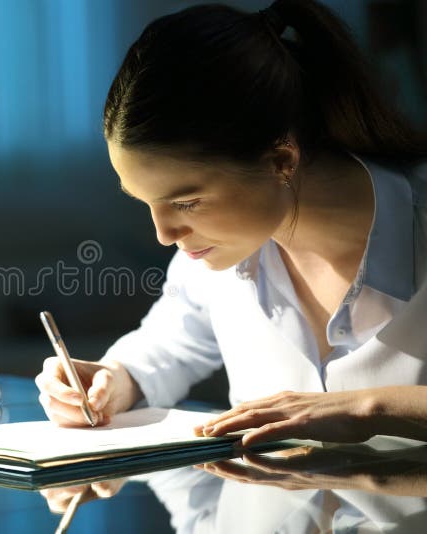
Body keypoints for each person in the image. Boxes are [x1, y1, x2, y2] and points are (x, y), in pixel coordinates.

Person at [35, 0, 427, 446]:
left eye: (186, 202)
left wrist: (367, 408)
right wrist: (113, 379)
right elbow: (167, 346)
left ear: (282, 160)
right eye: (146, 203)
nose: (164, 236)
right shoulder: (216, 254)